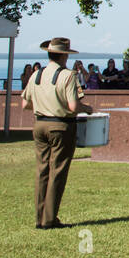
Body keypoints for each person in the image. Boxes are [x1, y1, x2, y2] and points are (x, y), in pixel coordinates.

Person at [21, 38, 89, 229]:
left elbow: (25, 104)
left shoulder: (36, 74)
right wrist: (88, 108)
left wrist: (45, 106)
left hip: (40, 124)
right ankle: (50, 219)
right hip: (61, 125)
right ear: (64, 55)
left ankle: (39, 217)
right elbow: (73, 106)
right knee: (57, 171)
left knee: (42, 171)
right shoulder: (68, 75)